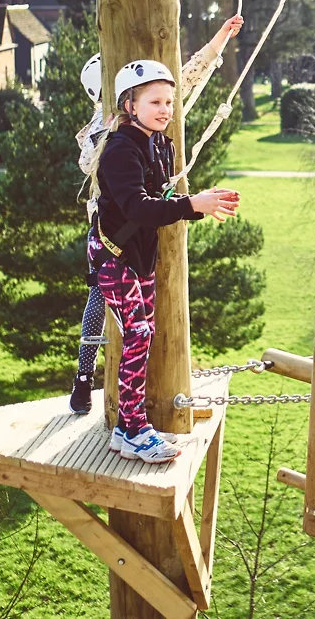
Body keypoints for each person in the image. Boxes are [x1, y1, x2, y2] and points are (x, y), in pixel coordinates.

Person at [83, 58, 241, 463]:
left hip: (137, 255)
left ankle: (126, 430)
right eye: (156, 102)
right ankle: (134, 429)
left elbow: (159, 201)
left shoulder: (160, 143)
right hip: (113, 254)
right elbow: (137, 208)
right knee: (137, 334)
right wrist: (193, 203)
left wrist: (198, 205)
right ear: (129, 105)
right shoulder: (120, 149)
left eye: (169, 102)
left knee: (143, 333)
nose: (166, 110)